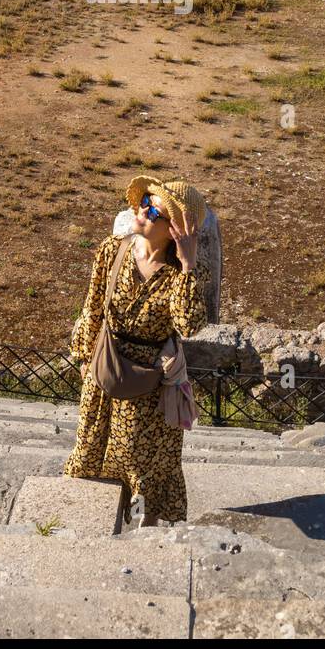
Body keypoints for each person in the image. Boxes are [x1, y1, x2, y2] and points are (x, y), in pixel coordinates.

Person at [63, 176, 210, 526]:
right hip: (106, 367)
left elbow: (189, 325)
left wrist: (188, 266)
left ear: (174, 228)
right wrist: (84, 358)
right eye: (143, 200)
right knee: (91, 445)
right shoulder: (114, 249)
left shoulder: (182, 273)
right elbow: (92, 307)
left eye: (152, 207)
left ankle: (147, 527)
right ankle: (85, 521)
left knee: (140, 461)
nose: (141, 209)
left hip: (149, 387)